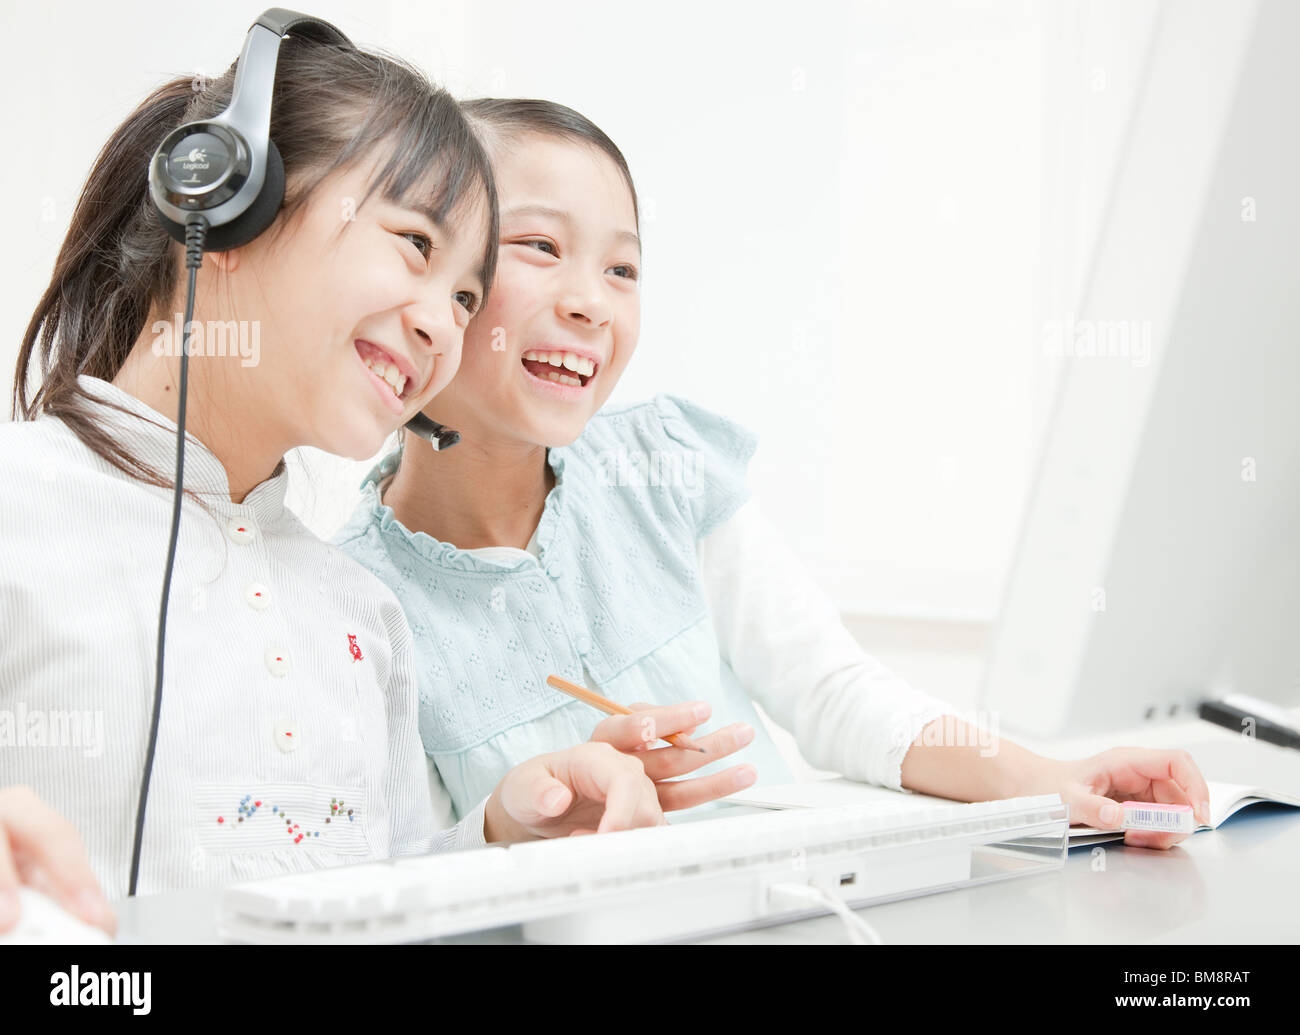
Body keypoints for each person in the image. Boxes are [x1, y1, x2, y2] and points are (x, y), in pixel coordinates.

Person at [334, 98, 1213, 852]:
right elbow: (402, 872)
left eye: (623, 268)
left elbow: (834, 692)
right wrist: (509, 823)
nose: (591, 300)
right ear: (438, 275)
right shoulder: (351, 602)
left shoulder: (664, 469)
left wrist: (1047, 780)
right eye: (539, 245)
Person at [0, 44, 736, 939]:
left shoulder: (360, 611)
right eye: (416, 245)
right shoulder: (19, 508)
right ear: (226, 211)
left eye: (467, 297)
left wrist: (503, 832)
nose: (441, 324)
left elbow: (378, 897)